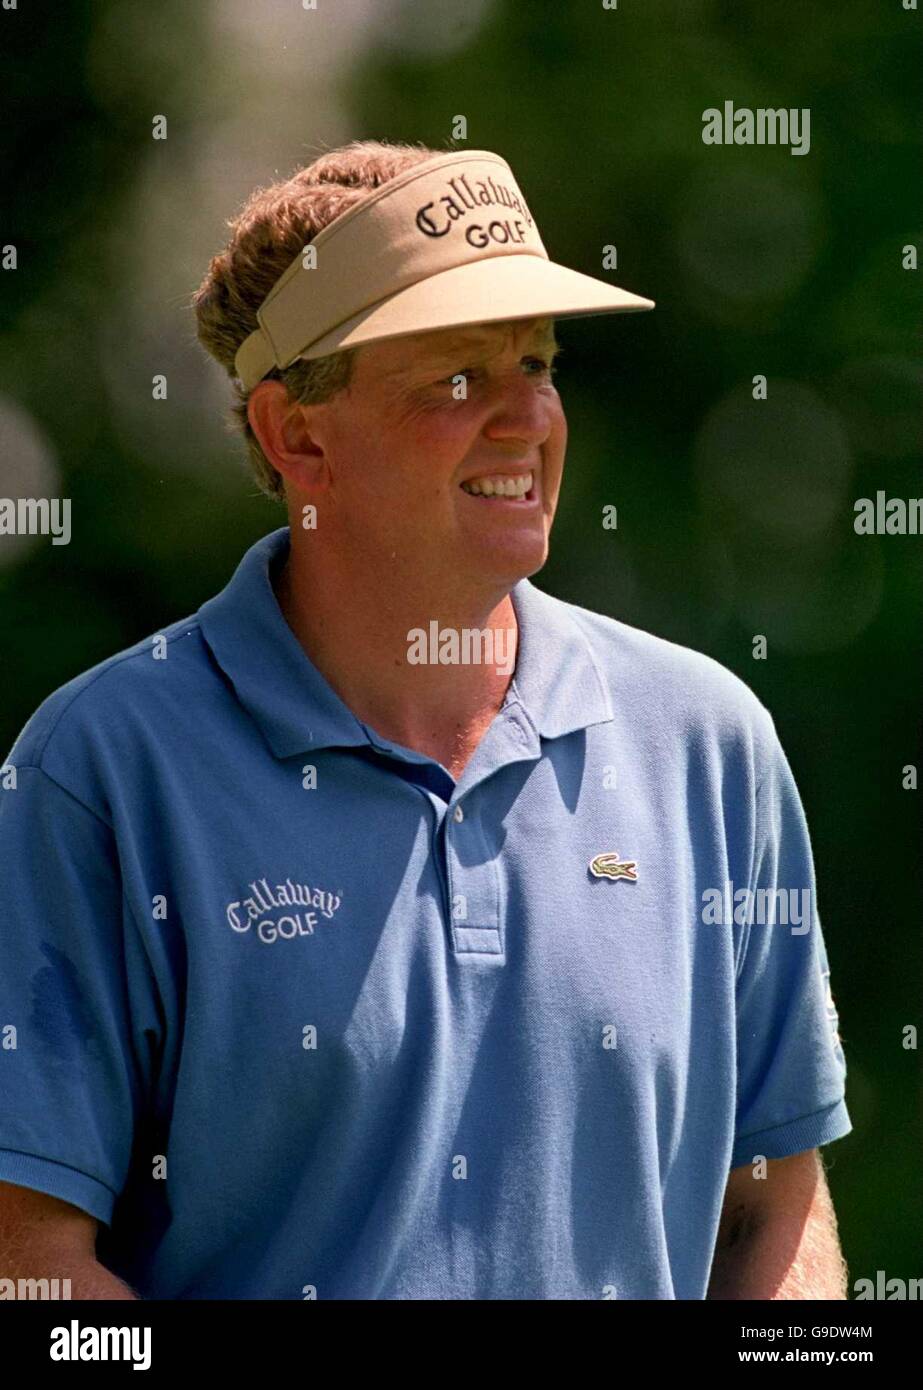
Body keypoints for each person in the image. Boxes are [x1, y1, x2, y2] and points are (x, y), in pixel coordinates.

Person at [0, 140, 851, 1300]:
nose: (527, 416)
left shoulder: (708, 745)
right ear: (296, 436)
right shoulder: (99, 771)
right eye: (459, 377)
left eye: (538, 362)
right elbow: (30, 1266)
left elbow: (773, 1202)